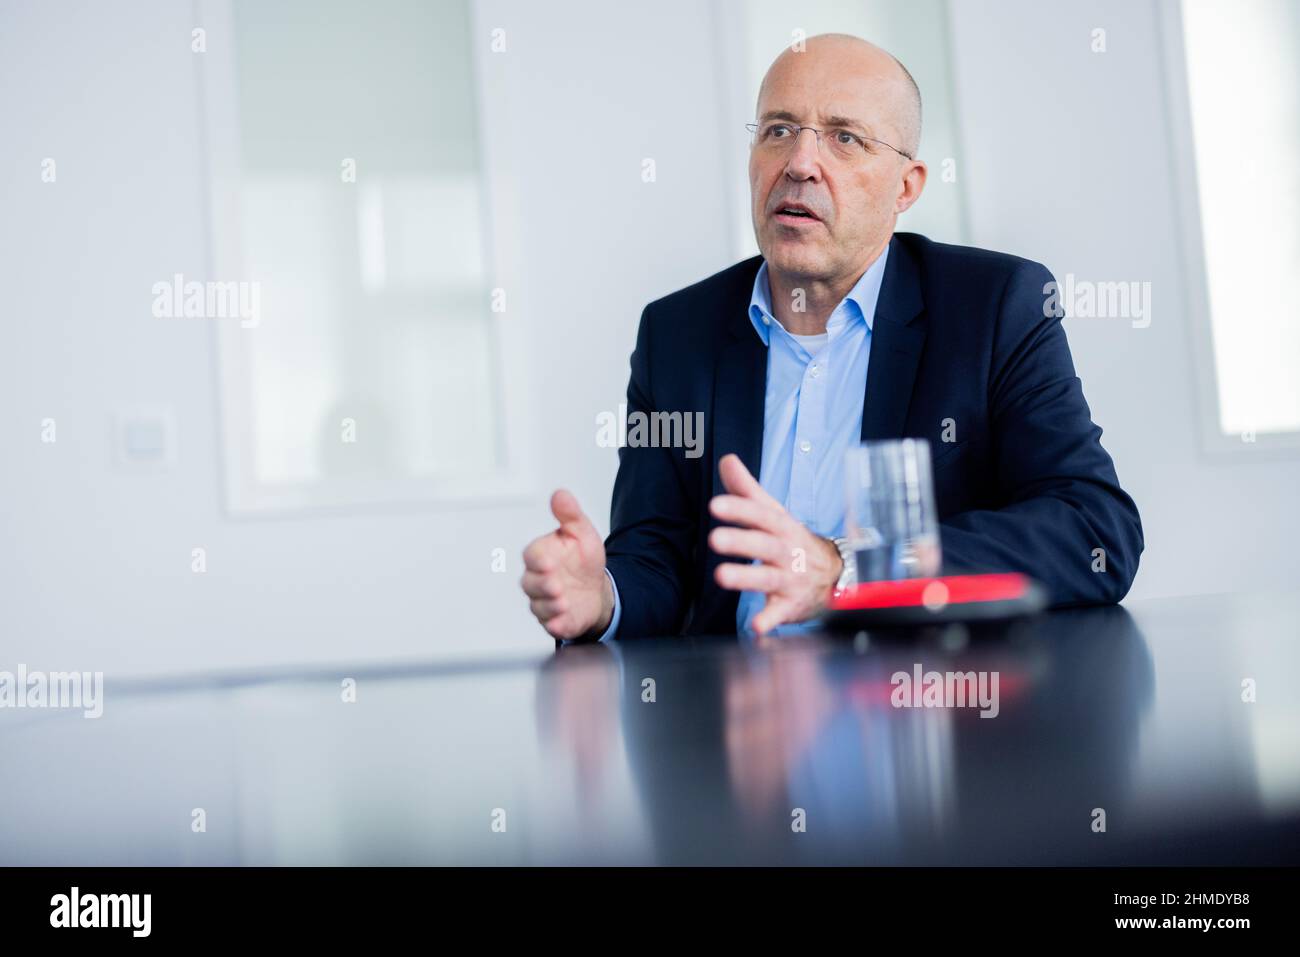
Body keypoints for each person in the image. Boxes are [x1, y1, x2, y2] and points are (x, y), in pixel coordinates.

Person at [520, 34, 1142, 641]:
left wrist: (850, 570)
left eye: (844, 138)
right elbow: (655, 559)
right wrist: (604, 598)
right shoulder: (676, 334)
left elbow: (1093, 528)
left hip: (929, 715)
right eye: (779, 130)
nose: (800, 163)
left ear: (906, 186)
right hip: (738, 724)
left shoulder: (996, 307)